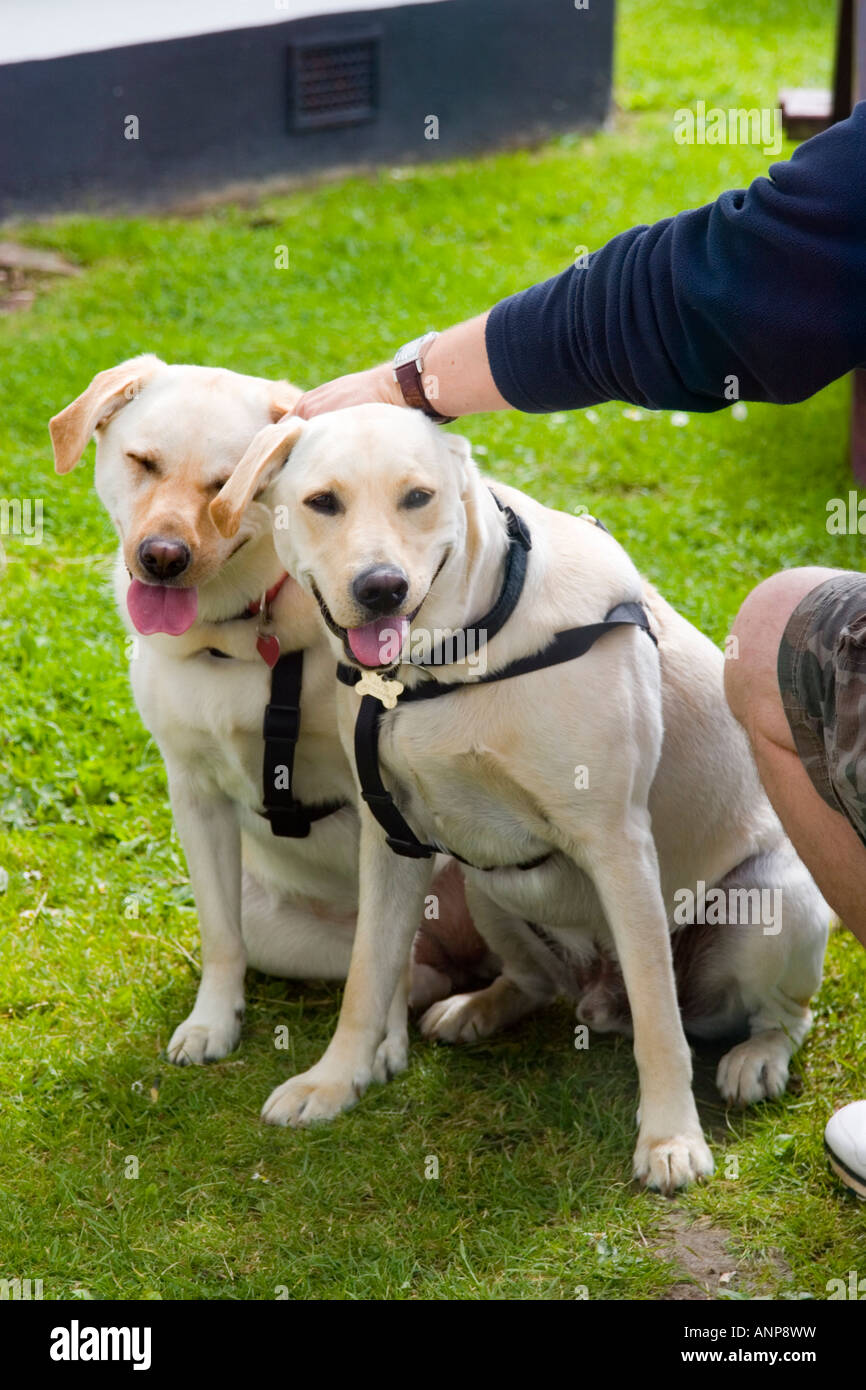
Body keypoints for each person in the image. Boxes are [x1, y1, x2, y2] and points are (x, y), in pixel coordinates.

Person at [292, 101, 866, 1197]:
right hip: (542, 917)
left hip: (710, 898)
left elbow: (722, 281)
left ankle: (755, 1029)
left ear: (467, 493)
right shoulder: (374, 626)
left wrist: (413, 380)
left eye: (416, 503)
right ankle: (495, 998)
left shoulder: (559, 601)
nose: (377, 560)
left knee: (756, 662)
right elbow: (402, 831)